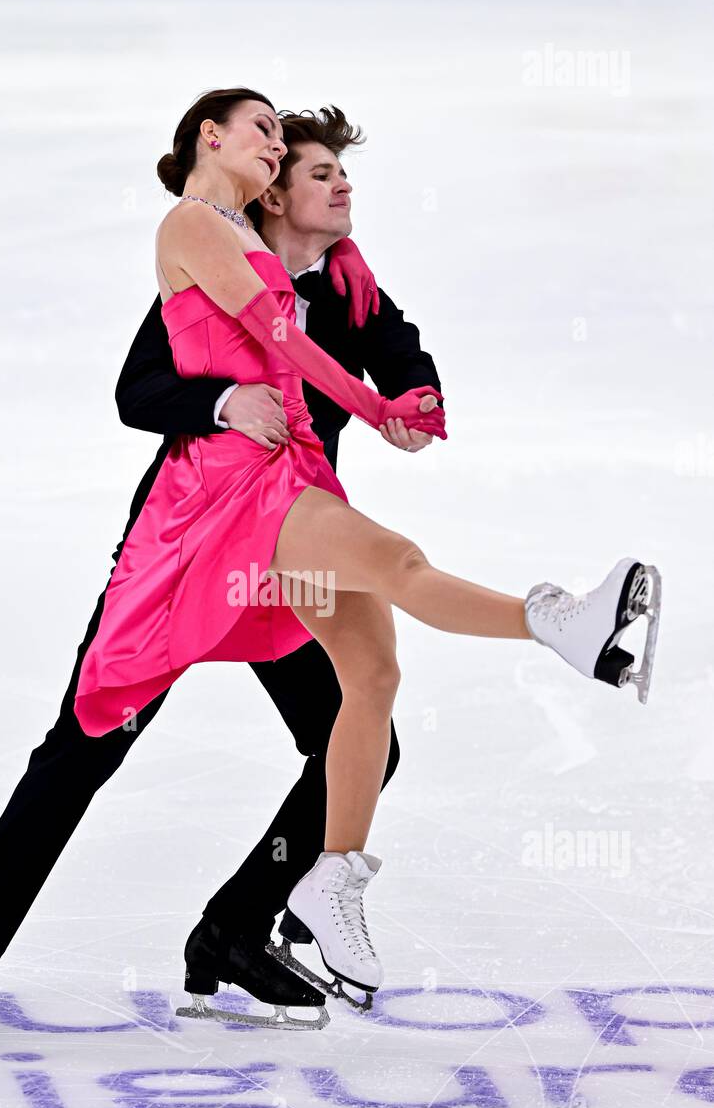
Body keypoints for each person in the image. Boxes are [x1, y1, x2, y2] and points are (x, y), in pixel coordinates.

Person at [69, 88, 662, 1024]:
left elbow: (371, 331)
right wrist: (374, 410)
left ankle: (330, 879)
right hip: (239, 490)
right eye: (278, 145)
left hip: (292, 475)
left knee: (372, 675)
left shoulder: (303, 258)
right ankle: (561, 624)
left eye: (291, 146)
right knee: (400, 563)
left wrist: (403, 390)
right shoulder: (194, 225)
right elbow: (272, 344)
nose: (296, 161)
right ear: (216, 143)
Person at [0, 93, 446, 1035]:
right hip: (193, 543)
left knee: (361, 742)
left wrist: (412, 396)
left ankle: (234, 936)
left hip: (289, 555)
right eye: (312, 170)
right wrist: (221, 401)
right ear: (272, 193)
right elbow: (138, 388)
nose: (338, 189)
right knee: (88, 742)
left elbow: (397, 346)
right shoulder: (214, 265)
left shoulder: (344, 287)